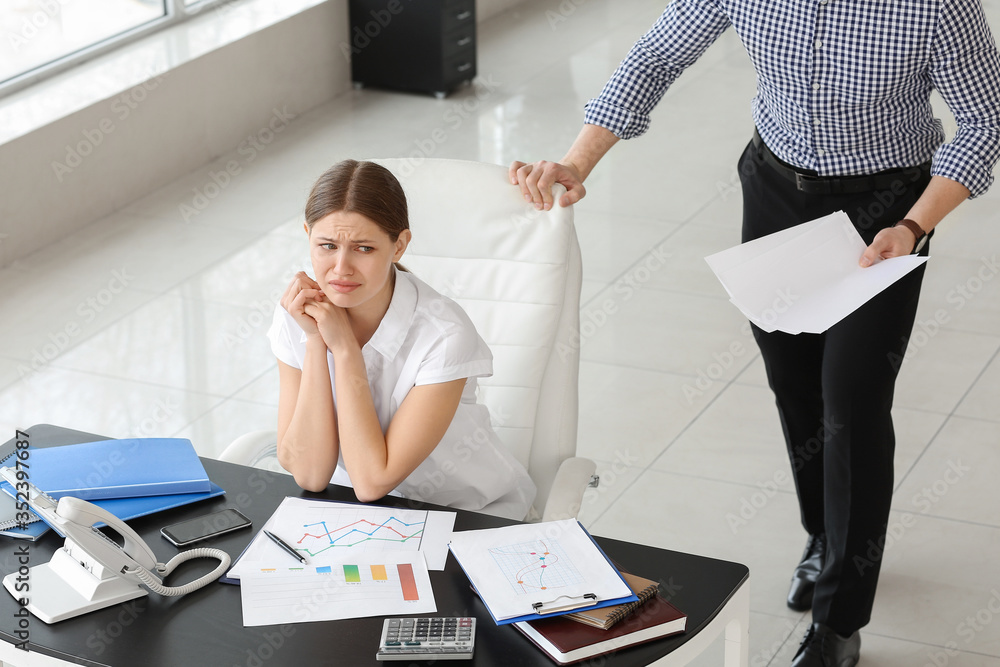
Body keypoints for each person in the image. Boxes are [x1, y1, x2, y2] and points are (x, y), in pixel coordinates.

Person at [510, 2, 1000, 665]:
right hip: (776, 191)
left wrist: (913, 226)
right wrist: (578, 162)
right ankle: (825, 536)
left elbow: (984, 119)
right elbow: (656, 56)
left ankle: (839, 623)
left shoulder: (934, 6)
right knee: (794, 382)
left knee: (852, 400)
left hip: (887, 209)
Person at [268, 159, 536, 521]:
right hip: (364, 518)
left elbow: (371, 481)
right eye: (327, 246)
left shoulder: (444, 335)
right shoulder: (298, 313)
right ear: (308, 235)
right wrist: (316, 342)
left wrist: (345, 349)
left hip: (467, 516)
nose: (341, 268)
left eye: (364, 248)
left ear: (399, 246)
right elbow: (311, 474)